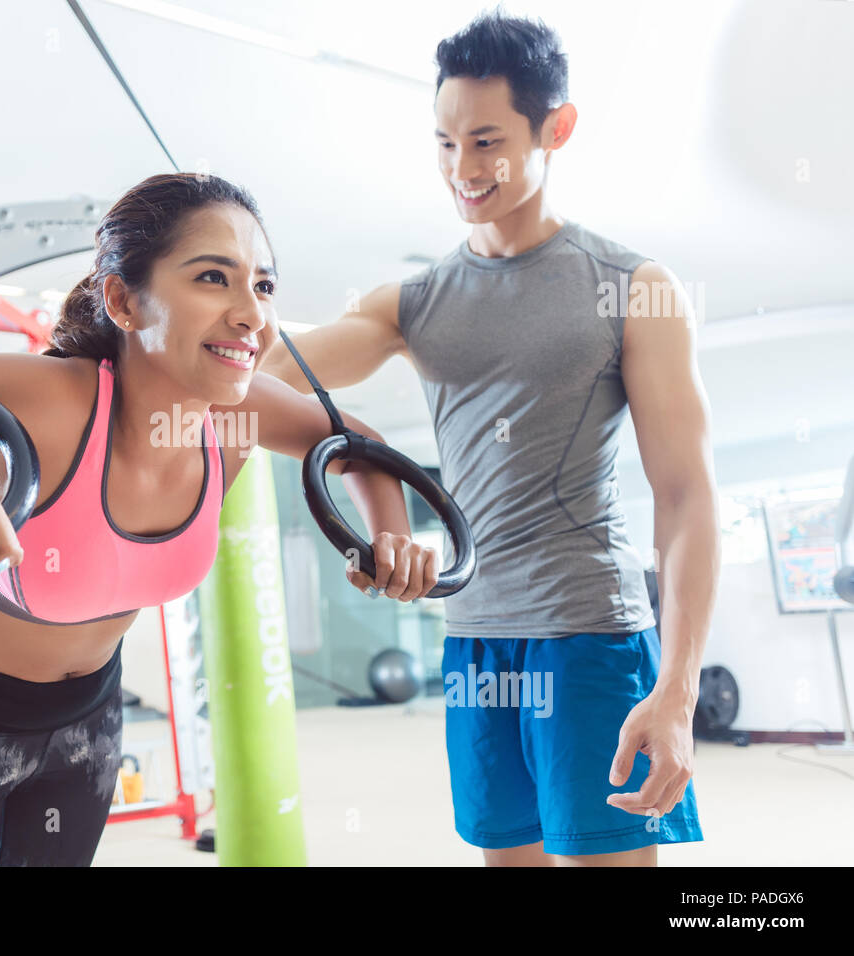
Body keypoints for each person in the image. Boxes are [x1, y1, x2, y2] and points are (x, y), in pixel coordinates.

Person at [0, 172, 434, 866]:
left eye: (264, 284)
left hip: (87, 727)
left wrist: (392, 537)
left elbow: (362, 454)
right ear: (124, 302)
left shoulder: (238, 418)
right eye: (214, 278)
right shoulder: (52, 401)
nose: (253, 313)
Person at [261, 12, 720, 866]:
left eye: (485, 141)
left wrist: (680, 689)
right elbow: (276, 367)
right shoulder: (415, 302)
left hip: (588, 637)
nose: (462, 171)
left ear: (558, 128)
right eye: (443, 144)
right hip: (473, 638)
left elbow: (688, 496)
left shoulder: (633, 288)